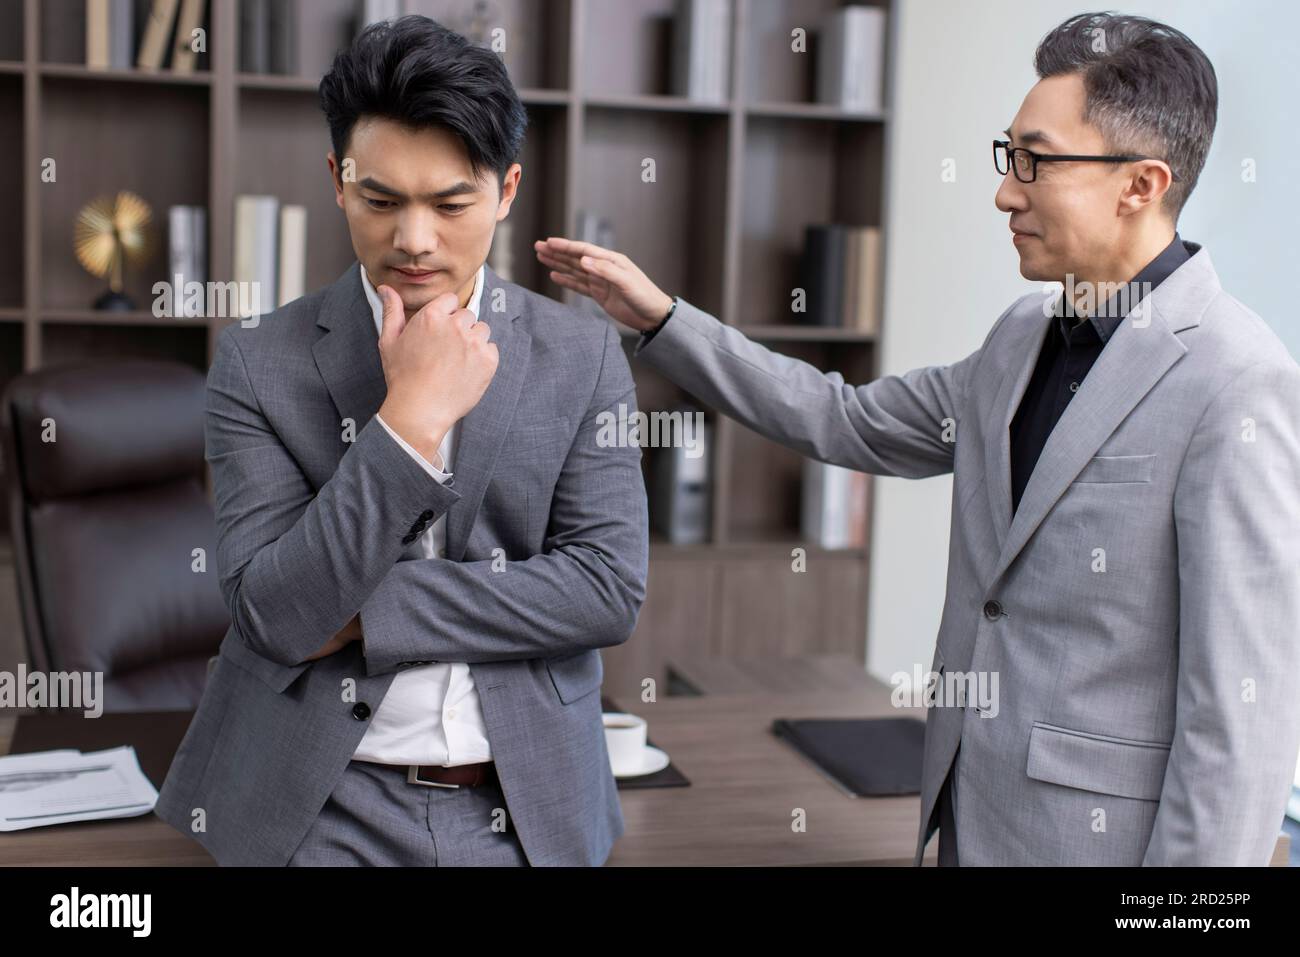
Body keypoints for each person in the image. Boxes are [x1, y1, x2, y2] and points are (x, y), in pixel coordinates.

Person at [536, 12, 1300, 866]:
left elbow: (1242, 721)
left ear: (1141, 183)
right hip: (965, 824)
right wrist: (667, 322)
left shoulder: (1237, 380)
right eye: (1008, 157)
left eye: (1036, 162)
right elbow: (846, 418)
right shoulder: (1020, 337)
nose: (1006, 192)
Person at [154, 15, 648, 866]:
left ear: (506, 190)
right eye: (380, 199)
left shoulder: (583, 353)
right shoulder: (258, 363)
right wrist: (408, 423)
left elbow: (606, 590)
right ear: (338, 182)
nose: (413, 240)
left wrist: (366, 613)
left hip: (526, 801)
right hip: (314, 804)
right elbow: (272, 614)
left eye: (451, 203)